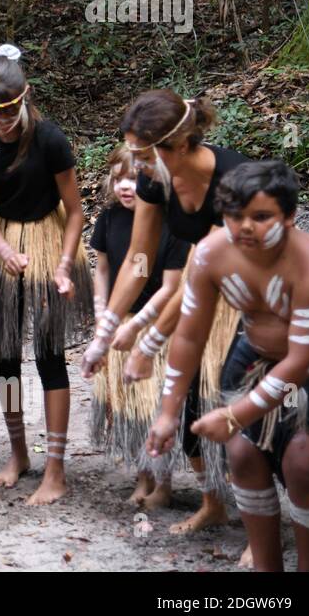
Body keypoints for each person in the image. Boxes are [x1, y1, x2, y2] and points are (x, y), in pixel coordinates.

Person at [146, 160, 309, 571]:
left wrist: (235, 414)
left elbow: (303, 362)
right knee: (243, 455)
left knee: (303, 461)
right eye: (234, 216)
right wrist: (167, 413)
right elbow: (189, 335)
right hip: (253, 353)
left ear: (290, 216)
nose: (245, 227)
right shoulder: (210, 254)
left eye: (261, 216)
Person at [84, 89, 249, 536]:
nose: (135, 165)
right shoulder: (154, 179)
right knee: (192, 407)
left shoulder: (232, 178)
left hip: (246, 307)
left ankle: (260, 528)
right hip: (198, 302)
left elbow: (200, 275)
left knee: (243, 416)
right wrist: (105, 332)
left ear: (177, 145)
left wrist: (146, 334)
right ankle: (214, 503)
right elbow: (139, 260)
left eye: (142, 153)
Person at [0, 44, 92, 505]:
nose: (2, 120)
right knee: (4, 358)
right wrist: (2, 249)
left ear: (25, 96)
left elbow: (75, 211)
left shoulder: (50, 139)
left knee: (49, 356)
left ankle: (55, 467)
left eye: (10, 109)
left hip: (49, 240)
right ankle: (19, 455)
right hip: (3, 247)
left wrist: (62, 262)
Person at [85, 145, 188, 508]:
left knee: (152, 406)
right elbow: (102, 270)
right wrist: (103, 316)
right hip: (119, 322)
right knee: (127, 407)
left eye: (133, 179)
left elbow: (172, 287)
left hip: (155, 324)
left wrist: (139, 326)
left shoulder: (170, 223)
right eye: (118, 179)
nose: (125, 187)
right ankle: (142, 478)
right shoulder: (108, 219)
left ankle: (163, 482)